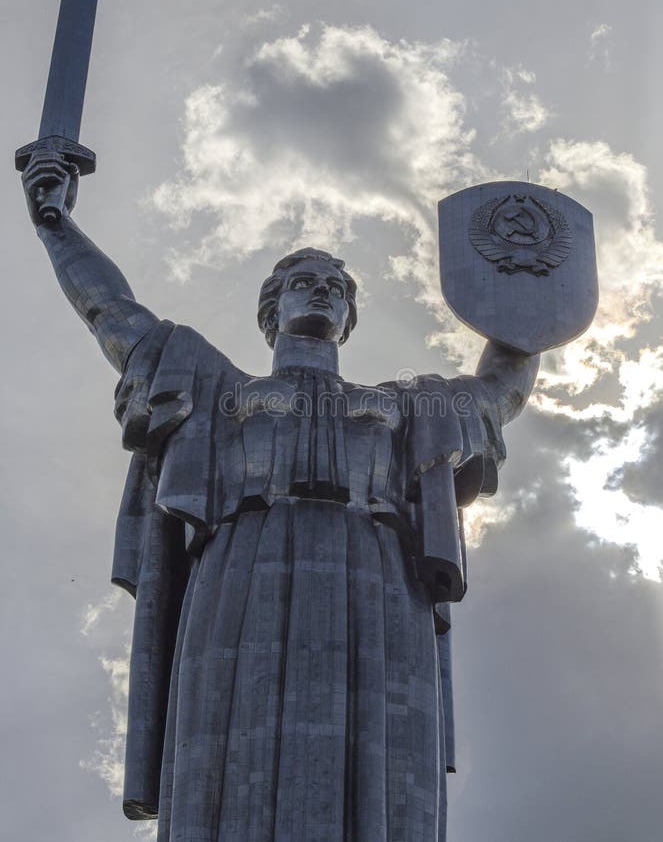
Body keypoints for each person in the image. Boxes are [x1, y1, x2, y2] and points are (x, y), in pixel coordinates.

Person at [22, 153, 539, 842]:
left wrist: (526, 288)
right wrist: (55, 223)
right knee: (230, 747)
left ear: (350, 313)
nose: (320, 291)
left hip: (377, 580)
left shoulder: (409, 407)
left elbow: (502, 386)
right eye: (303, 281)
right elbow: (112, 314)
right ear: (273, 309)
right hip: (245, 572)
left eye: (335, 285)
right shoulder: (212, 387)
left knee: (381, 760)